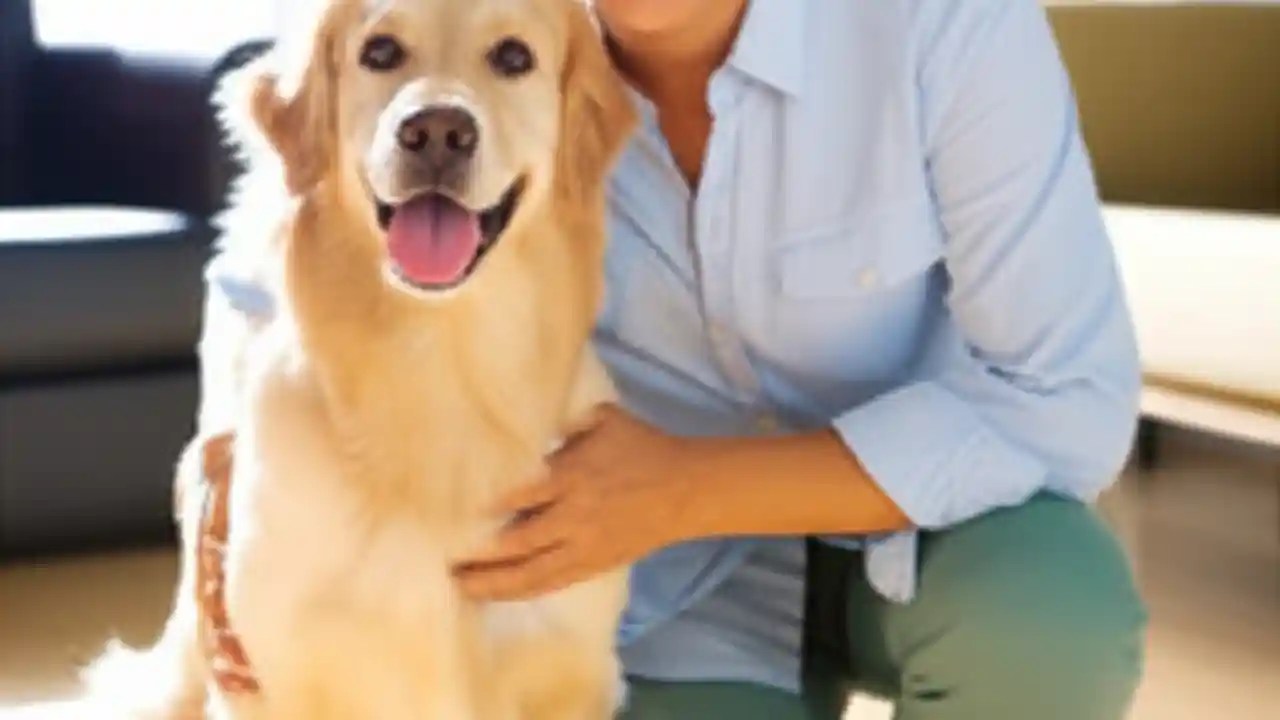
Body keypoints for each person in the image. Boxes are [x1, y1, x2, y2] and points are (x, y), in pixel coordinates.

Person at [216, 1, 1147, 718]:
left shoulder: (943, 25)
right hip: (668, 599)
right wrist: (228, 499)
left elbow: (1070, 395)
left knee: (1053, 615)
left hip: (930, 530)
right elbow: (282, 252)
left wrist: (686, 489)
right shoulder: (499, 27)